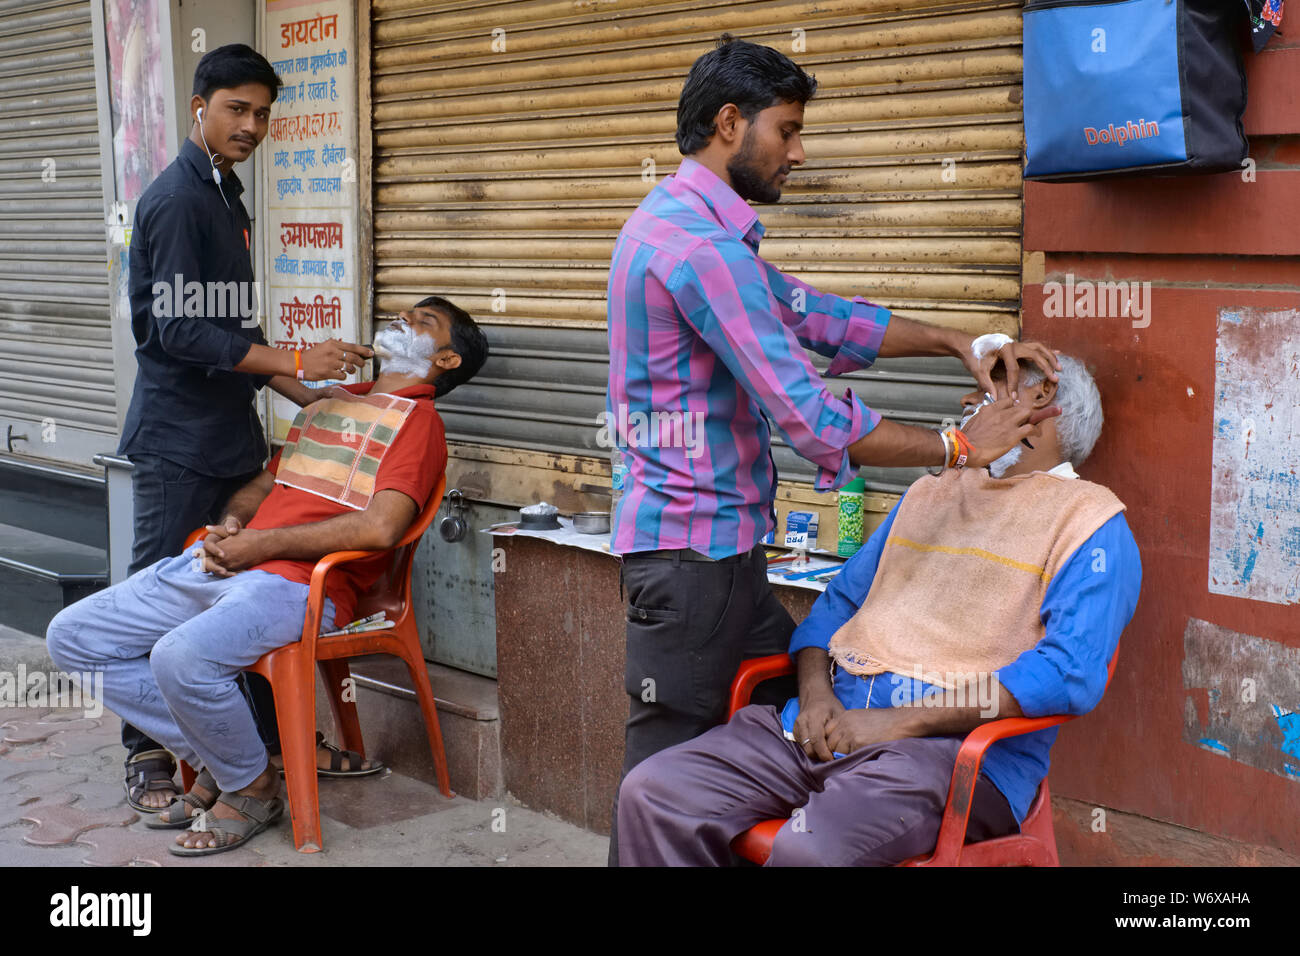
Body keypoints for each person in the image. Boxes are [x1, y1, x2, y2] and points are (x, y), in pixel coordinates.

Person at [604, 35, 1062, 861]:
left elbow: (820, 315)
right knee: (663, 789)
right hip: (690, 564)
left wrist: (958, 339)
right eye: (787, 131)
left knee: (787, 714)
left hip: (723, 557)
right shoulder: (698, 251)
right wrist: (958, 444)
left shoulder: (696, 231)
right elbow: (812, 420)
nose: (799, 152)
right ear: (728, 122)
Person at [615, 354, 1142, 866]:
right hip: (824, 725)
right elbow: (838, 603)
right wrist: (815, 693)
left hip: (946, 756)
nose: (967, 403)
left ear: (1042, 407)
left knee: (811, 850)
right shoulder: (929, 493)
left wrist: (899, 722)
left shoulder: (1090, 524)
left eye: (989, 392)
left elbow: (1067, 672)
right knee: (653, 794)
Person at [48, 297, 490, 855]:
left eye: (424, 321)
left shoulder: (419, 424)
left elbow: (381, 528)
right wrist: (232, 524)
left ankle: (250, 786)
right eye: (406, 312)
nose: (403, 317)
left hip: (301, 586)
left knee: (179, 657)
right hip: (237, 561)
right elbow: (265, 486)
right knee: (73, 637)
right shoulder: (333, 402)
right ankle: (234, 759)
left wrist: (262, 546)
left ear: (446, 361)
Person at [114, 43, 375, 810]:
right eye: (237, 109)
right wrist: (297, 352)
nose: (252, 125)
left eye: (263, 113)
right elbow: (177, 335)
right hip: (176, 446)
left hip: (232, 442)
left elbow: (234, 327)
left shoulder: (225, 194)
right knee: (150, 599)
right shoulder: (176, 199)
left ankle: (268, 744)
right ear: (200, 108)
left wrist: (308, 397)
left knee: (237, 596)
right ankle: (148, 758)